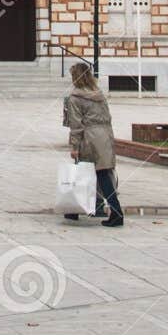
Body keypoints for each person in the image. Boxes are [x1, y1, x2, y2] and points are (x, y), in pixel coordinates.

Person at [63, 62, 123, 227]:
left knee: (84, 173)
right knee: (103, 174)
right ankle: (79, 210)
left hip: (89, 138)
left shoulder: (75, 98)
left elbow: (76, 124)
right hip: (105, 135)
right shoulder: (99, 94)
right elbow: (107, 116)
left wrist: (74, 146)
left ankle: (114, 213)